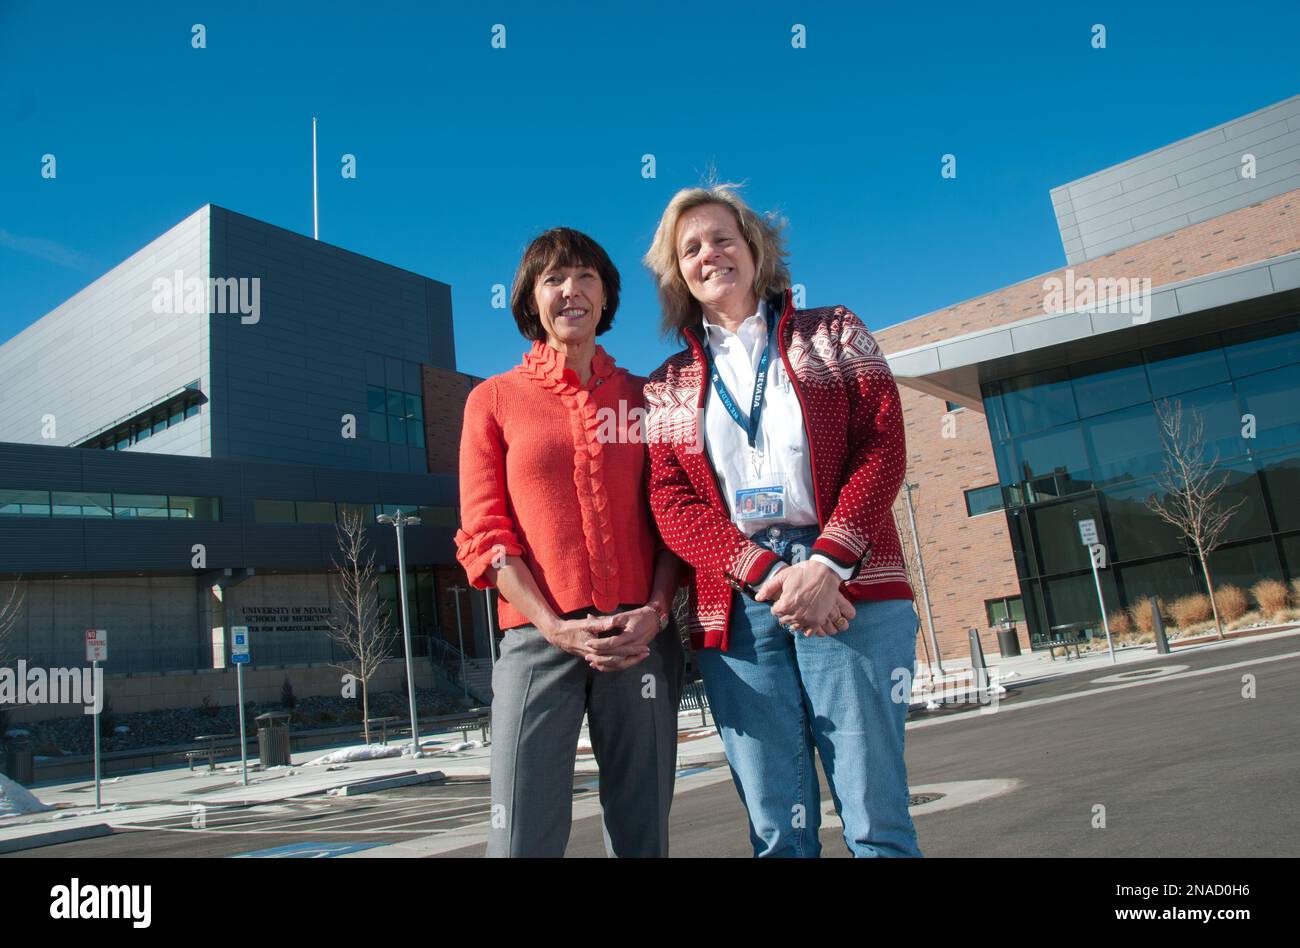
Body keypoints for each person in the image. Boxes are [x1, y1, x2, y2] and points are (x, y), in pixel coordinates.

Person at [642, 184, 923, 858]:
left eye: (721, 238)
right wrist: (769, 573)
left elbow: (883, 445)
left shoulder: (835, 331)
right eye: (691, 249)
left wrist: (825, 564)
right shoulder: (666, 385)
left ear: (754, 246)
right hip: (739, 604)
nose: (709, 255)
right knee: (776, 831)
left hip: (850, 586)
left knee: (876, 821)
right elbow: (671, 505)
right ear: (678, 273)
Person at [455, 227, 683, 858]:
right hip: (536, 640)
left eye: (586, 276)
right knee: (520, 833)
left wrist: (656, 614)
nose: (571, 290)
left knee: (643, 834)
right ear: (531, 299)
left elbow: (673, 519)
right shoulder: (492, 401)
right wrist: (553, 626)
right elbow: (485, 534)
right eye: (553, 278)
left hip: (641, 638)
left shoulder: (645, 398)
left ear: (607, 296)